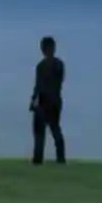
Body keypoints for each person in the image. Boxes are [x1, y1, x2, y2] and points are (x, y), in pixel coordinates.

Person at [31, 36, 66, 164]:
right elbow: (38, 85)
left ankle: (60, 158)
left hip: (52, 102)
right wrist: (34, 100)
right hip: (43, 101)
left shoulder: (57, 65)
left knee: (55, 130)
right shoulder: (41, 66)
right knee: (39, 132)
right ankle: (38, 159)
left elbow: (56, 83)